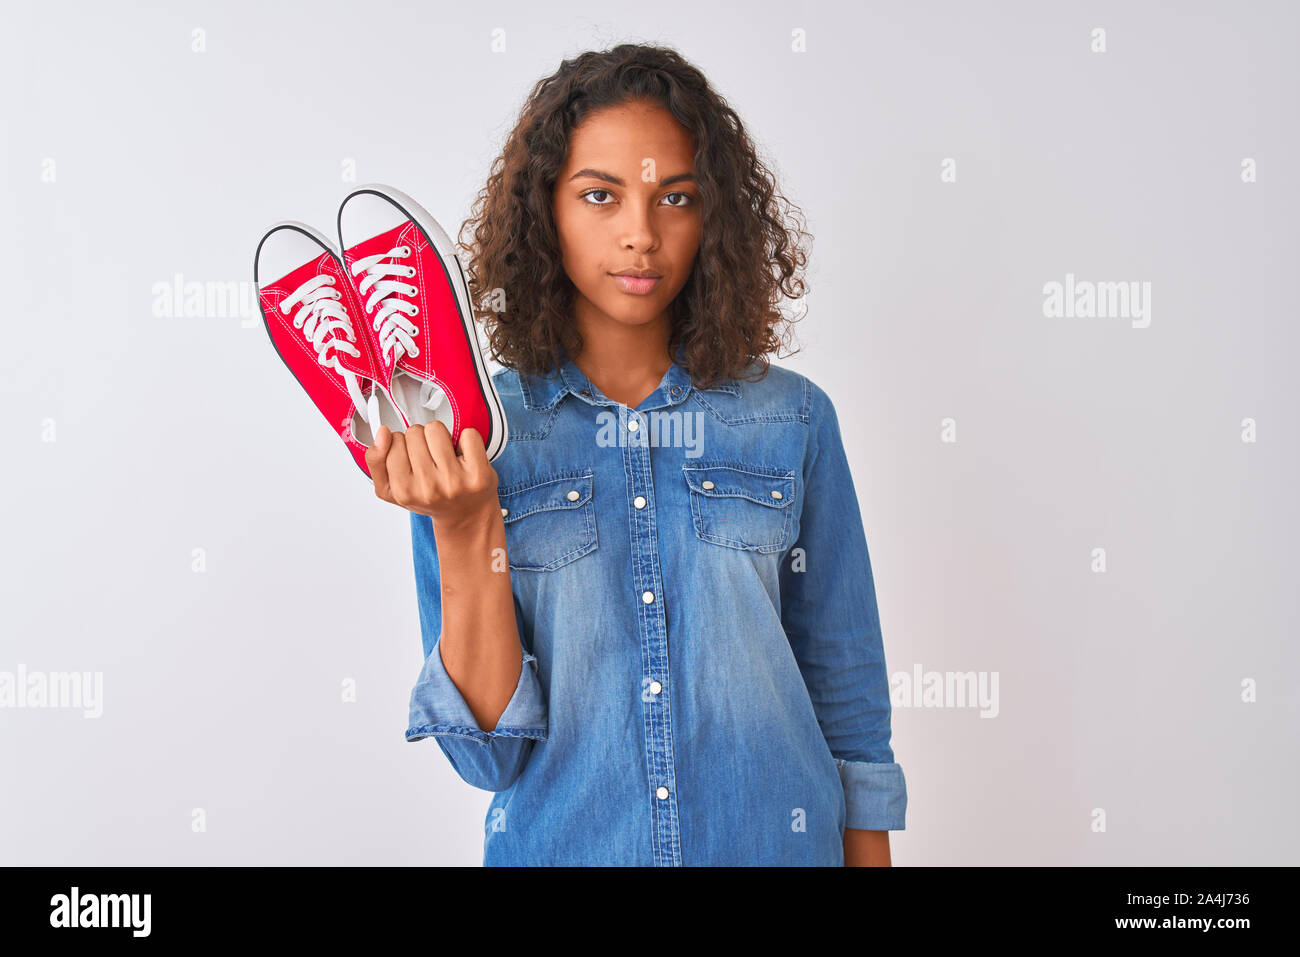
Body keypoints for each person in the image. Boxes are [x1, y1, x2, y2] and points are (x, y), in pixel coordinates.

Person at [365, 43, 907, 866]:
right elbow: (486, 756)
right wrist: (465, 522)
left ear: (713, 216)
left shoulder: (793, 419)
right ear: (546, 210)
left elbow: (845, 684)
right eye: (600, 196)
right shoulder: (471, 436)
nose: (640, 236)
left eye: (674, 198)